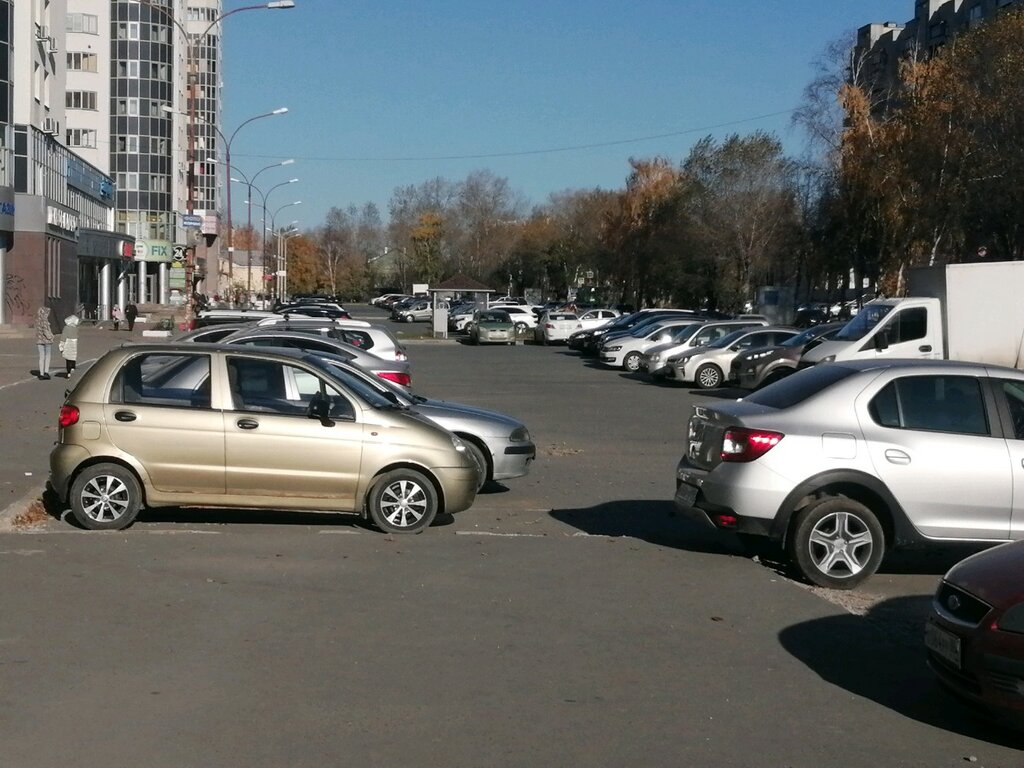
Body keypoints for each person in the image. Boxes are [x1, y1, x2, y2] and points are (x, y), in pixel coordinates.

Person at [35, 305, 54, 380]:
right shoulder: (45, 320)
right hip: (46, 341)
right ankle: (46, 372)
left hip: (39, 340)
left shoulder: (37, 320)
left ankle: (41, 373)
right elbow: (45, 330)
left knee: (41, 357)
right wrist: (51, 337)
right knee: (48, 356)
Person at [59, 313, 80, 378]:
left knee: (67, 358)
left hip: (68, 343)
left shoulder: (66, 328)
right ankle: (73, 367)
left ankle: (68, 372)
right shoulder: (76, 328)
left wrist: (61, 346)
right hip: (74, 342)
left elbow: (63, 337)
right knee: (73, 356)